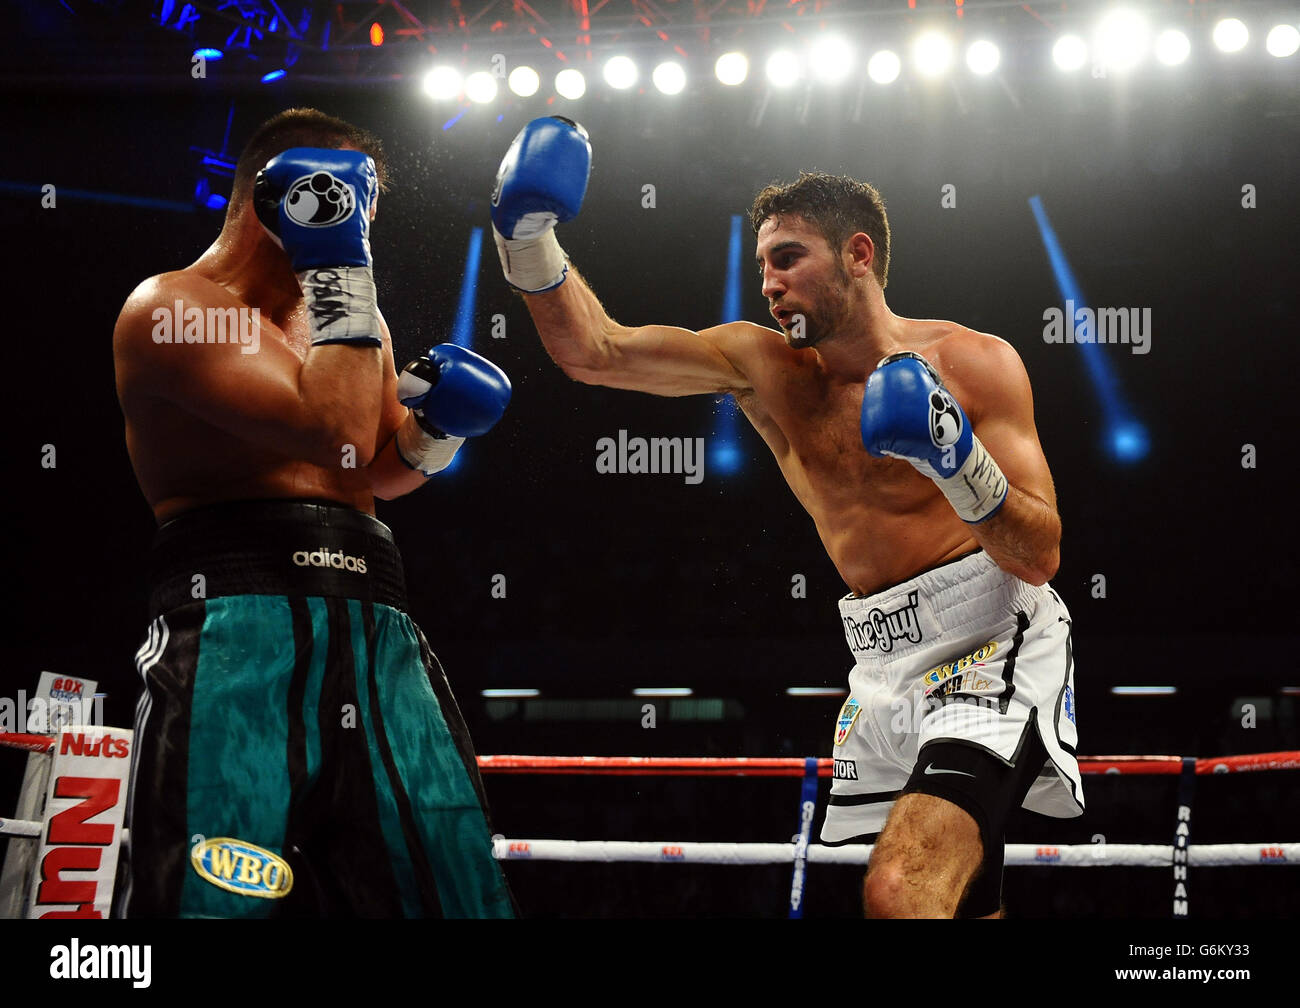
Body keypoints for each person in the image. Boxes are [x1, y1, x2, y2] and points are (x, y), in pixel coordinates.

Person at [490, 116, 1083, 918]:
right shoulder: (762, 367)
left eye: (787, 259)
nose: (768, 285)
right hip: (881, 655)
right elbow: (595, 352)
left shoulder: (974, 362)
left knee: (902, 889)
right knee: (962, 898)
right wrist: (528, 240)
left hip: (991, 634)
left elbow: (1040, 554)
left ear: (858, 255)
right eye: (761, 265)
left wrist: (958, 463)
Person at [112, 108, 514, 918]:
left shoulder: (344, 323)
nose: (351, 223)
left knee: (450, 888)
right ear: (264, 194)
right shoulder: (173, 308)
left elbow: (371, 468)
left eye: (360, 209)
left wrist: (435, 435)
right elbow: (325, 424)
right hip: (236, 622)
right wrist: (343, 272)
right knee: (211, 898)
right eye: (332, 196)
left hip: (376, 619)